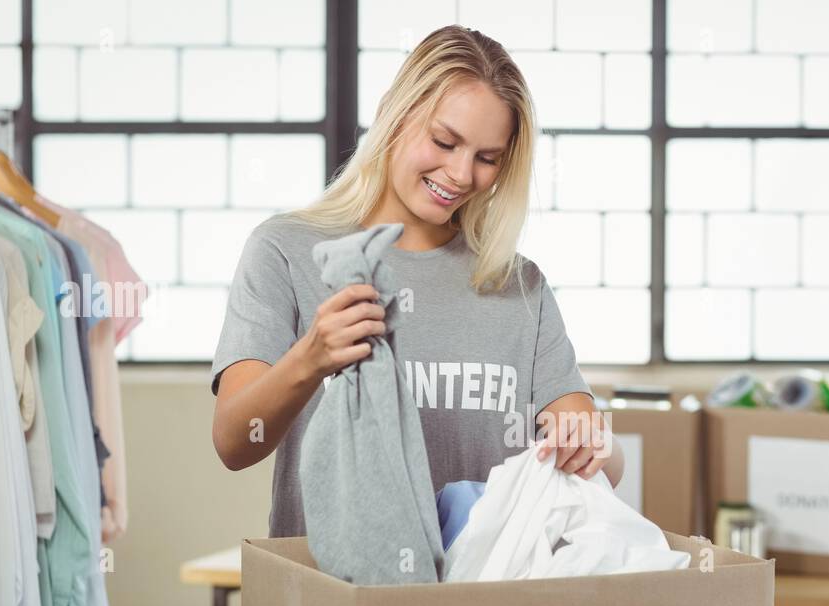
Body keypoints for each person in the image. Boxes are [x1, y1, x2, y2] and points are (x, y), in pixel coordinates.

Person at [210, 24, 624, 539]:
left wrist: (590, 441)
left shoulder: (519, 286)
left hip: (481, 604)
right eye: (444, 141)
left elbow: (604, 457)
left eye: (487, 158)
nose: (459, 173)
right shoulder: (286, 251)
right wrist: (311, 356)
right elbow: (234, 441)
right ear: (394, 112)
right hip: (336, 599)